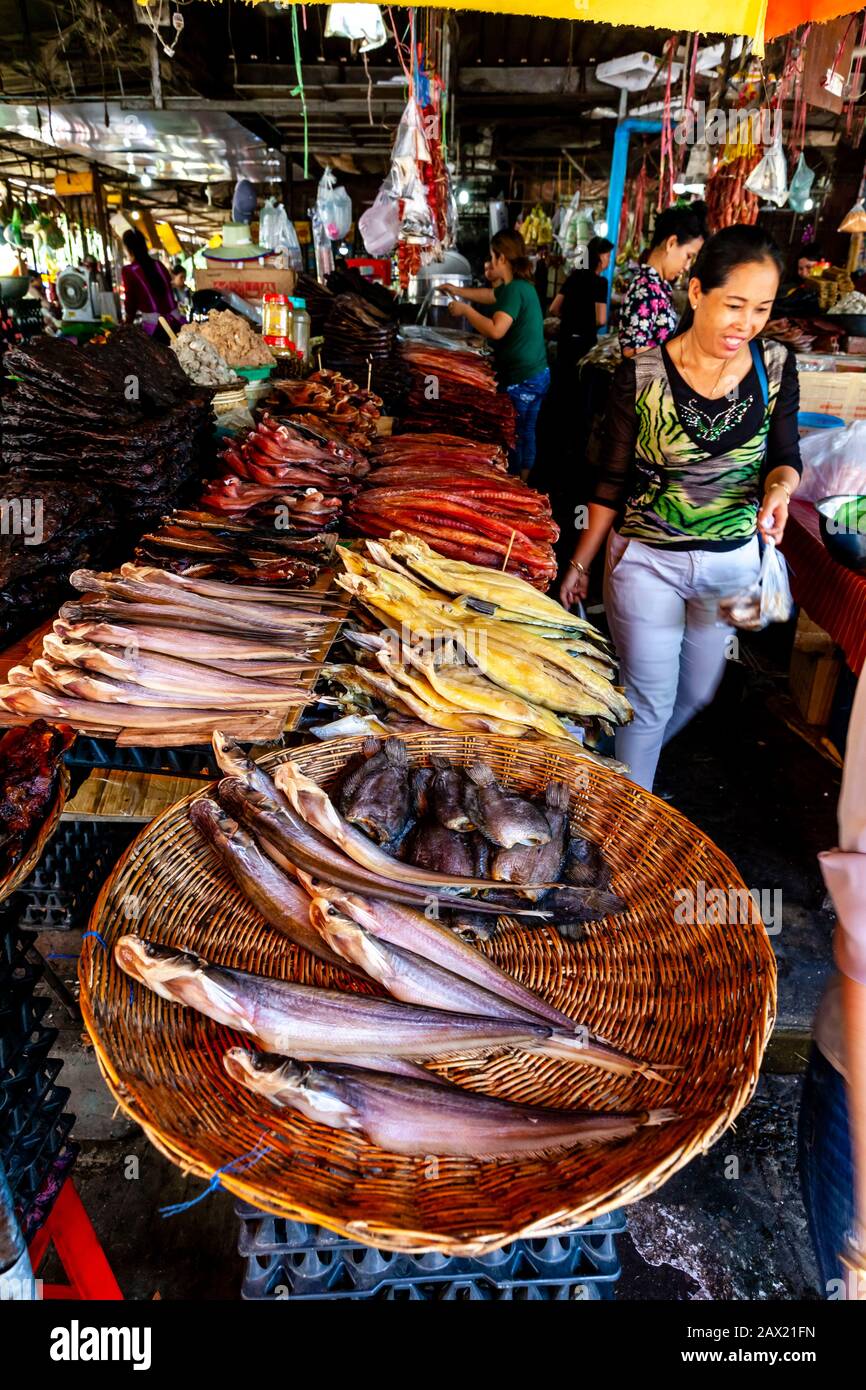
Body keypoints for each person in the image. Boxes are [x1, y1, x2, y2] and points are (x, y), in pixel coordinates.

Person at [559, 225, 802, 792]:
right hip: (649, 562)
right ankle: (624, 830)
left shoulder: (777, 364)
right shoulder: (639, 374)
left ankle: (605, 763)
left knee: (697, 690)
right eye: (734, 305)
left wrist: (780, 491)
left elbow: (785, 456)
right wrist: (580, 563)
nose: (746, 324)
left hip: (737, 565)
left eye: (761, 308)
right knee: (649, 700)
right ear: (696, 293)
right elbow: (609, 483)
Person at [442, 230, 550, 479]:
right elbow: (489, 295)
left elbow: (496, 330)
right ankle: (525, 479)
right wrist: (457, 291)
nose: (490, 261)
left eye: (493, 256)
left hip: (522, 378)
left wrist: (465, 310)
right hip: (538, 373)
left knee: (512, 431)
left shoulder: (514, 290)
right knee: (527, 430)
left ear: (502, 258)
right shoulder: (522, 287)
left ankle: (512, 484)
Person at [619, 202, 706, 358]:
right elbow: (631, 352)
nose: (687, 267)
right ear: (671, 243)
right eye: (688, 256)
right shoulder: (646, 289)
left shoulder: (659, 287)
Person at [549, 236, 613, 373]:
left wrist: (570, 318)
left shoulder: (574, 276)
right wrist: (584, 322)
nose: (609, 259)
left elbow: (553, 308)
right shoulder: (601, 283)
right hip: (584, 344)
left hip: (565, 340)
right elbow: (601, 319)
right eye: (607, 255)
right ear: (599, 257)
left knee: (562, 383)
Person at [121, 229, 184, 338]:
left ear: (127, 248)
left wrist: (127, 324)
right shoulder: (158, 265)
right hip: (176, 323)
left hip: (155, 329)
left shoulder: (129, 271)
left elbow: (131, 302)